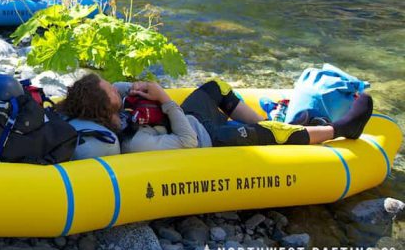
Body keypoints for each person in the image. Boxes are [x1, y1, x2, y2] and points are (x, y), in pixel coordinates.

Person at [58, 73, 374, 160]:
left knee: (215, 87)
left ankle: (268, 123)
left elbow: (117, 87)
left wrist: (140, 87)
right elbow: (187, 140)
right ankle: (342, 129)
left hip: (192, 119)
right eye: (111, 91)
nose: (117, 89)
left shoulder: (111, 110)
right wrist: (166, 99)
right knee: (272, 136)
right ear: (106, 107)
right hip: (210, 141)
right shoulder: (133, 140)